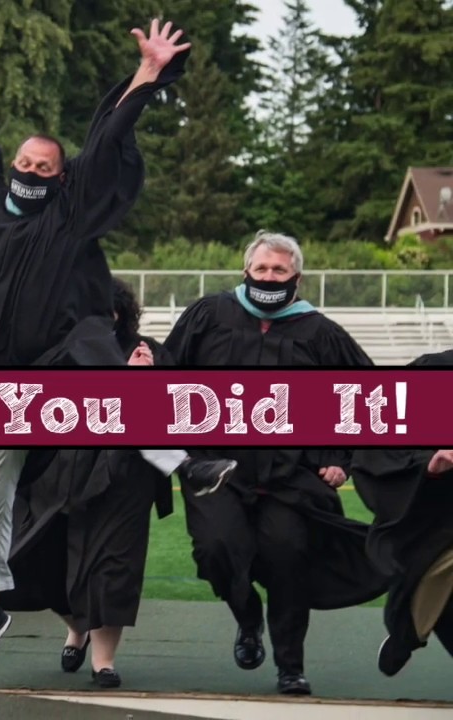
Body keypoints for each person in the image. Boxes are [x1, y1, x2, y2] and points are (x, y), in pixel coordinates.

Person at [0, 8, 235, 670]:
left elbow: (105, 147)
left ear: (58, 175)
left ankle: (186, 462)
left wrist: (146, 73)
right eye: (24, 160)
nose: (32, 169)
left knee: (99, 358)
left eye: (45, 165)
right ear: (9, 163)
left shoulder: (67, 216)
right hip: (2, 385)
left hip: (61, 368)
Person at [163, 230, 390, 695]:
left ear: (297, 279)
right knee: (216, 549)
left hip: (291, 476)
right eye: (262, 269)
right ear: (245, 272)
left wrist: (341, 459)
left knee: (288, 557)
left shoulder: (320, 333)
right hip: (216, 469)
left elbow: (369, 399)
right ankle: (248, 618)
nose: (270, 277)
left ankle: (291, 665)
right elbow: (166, 378)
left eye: (279, 270)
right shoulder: (209, 314)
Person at [0, 279, 180, 689]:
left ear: (118, 313)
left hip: (126, 478)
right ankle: (77, 624)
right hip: (63, 474)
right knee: (35, 559)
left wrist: (140, 380)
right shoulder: (64, 351)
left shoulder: (147, 351)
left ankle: (103, 661)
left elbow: (171, 410)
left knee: (115, 567)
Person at [351, 350, 453, 677]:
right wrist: (430, 466)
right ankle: (408, 628)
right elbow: (381, 444)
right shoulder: (431, 373)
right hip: (433, 520)